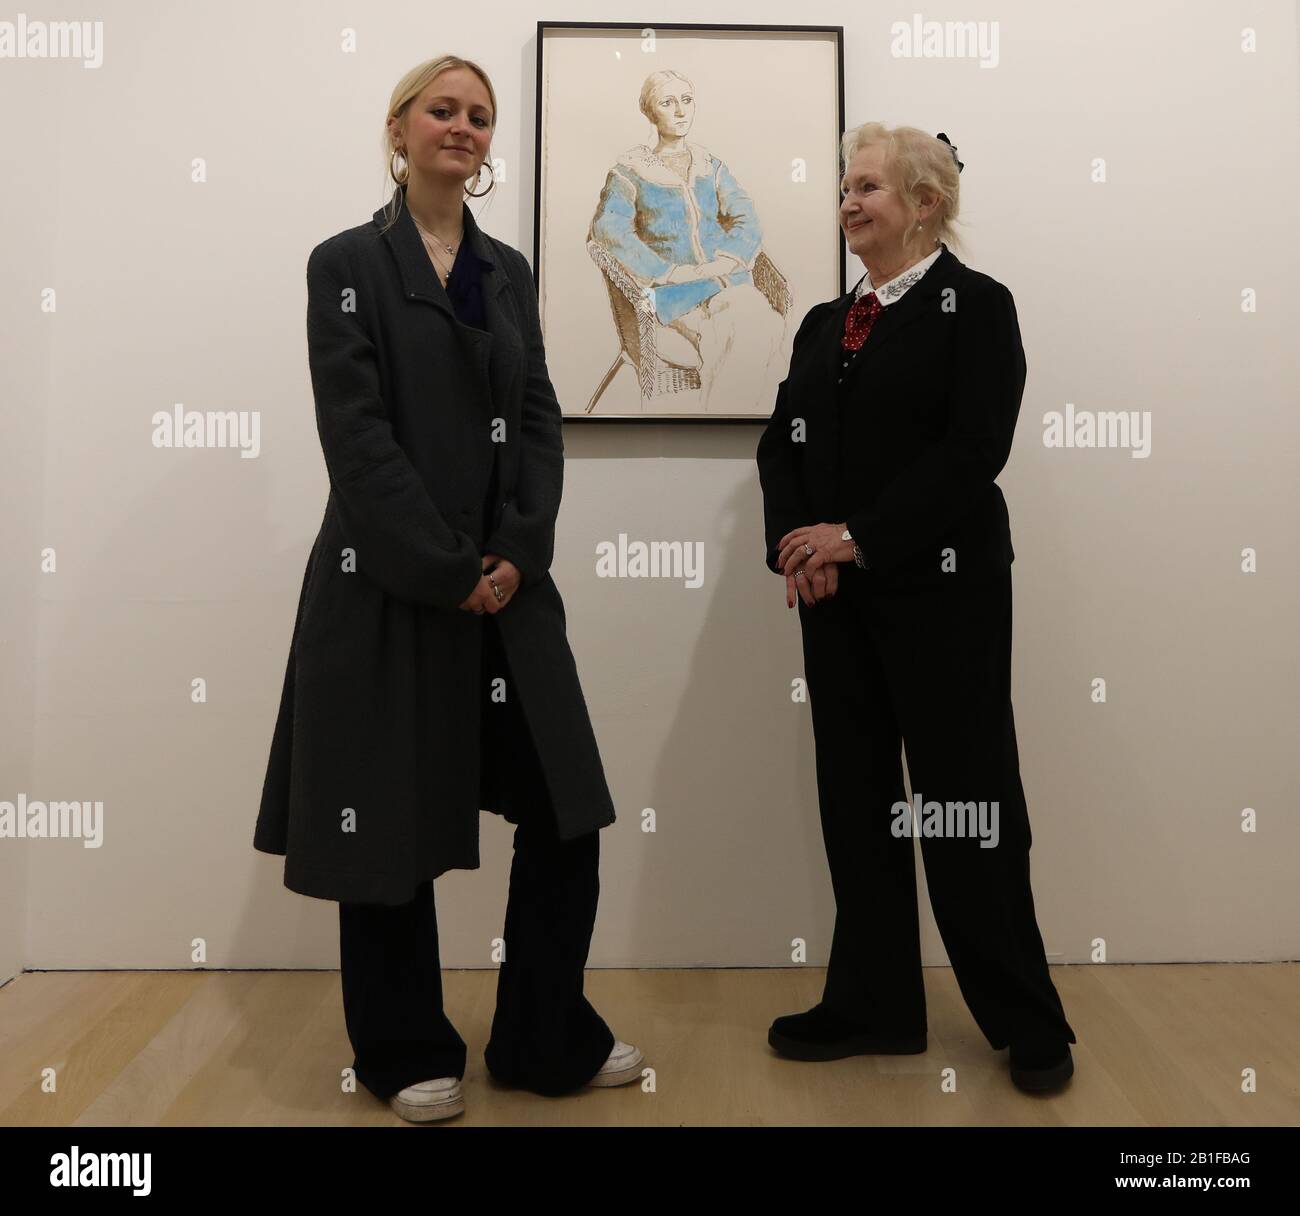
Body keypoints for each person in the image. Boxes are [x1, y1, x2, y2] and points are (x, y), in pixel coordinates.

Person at [253, 54, 643, 1122]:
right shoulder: (344, 264)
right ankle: (401, 1048)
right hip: (385, 587)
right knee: (385, 824)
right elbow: (359, 438)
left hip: (509, 589)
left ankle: (540, 1032)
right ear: (400, 129)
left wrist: (518, 548)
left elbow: (540, 417)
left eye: (479, 115)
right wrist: (441, 565)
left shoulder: (508, 269)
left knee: (568, 810)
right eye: (443, 110)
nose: (462, 127)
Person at [756, 122, 1078, 1093]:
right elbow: (785, 444)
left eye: (866, 188)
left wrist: (855, 536)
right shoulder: (823, 322)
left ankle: (1025, 1016)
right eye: (843, 190)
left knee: (967, 803)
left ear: (925, 201)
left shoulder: (977, 308)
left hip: (943, 596)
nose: (847, 203)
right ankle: (875, 1004)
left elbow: (972, 450)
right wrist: (796, 540)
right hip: (836, 602)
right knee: (857, 804)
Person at [588, 68, 786, 411]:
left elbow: (746, 216)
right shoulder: (630, 171)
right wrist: (668, 272)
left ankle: (724, 417)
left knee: (751, 319)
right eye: (668, 102)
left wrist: (730, 259)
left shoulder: (711, 165)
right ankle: (731, 422)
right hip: (673, 295)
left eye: (687, 100)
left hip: (727, 282)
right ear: (651, 112)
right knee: (751, 327)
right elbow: (609, 231)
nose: (680, 111)